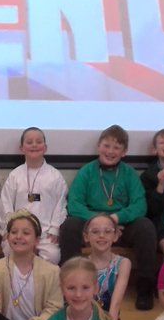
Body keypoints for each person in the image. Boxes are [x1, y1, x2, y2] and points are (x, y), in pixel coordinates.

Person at [59, 125, 158, 310]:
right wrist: (99, 221)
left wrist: (115, 219)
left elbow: (139, 205)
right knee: (69, 226)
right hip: (91, 225)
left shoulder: (129, 174)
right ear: (99, 147)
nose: (110, 151)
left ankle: (145, 289)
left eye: (116, 148)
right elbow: (74, 204)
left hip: (121, 226)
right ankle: (69, 287)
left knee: (146, 227)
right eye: (106, 146)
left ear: (124, 152)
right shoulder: (87, 171)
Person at [0, 211, 62, 320]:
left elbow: (54, 307)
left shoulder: (52, 271)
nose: (19, 236)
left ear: (37, 240)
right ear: (7, 237)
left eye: (26, 233)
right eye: (14, 232)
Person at [0, 127, 68, 264]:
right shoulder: (15, 176)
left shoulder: (55, 176)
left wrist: (55, 229)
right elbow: (6, 203)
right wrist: (7, 229)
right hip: (18, 232)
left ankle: (41, 278)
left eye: (39, 142)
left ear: (45, 148)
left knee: (53, 255)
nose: (34, 145)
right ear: (22, 148)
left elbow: (60, 204)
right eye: (29, 142)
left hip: (45, 232)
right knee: (9, 251)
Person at [85, 213, 131, 320]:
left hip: (110, 319)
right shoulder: (81, 264)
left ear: (115, 236)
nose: (101, 235)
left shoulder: (123, 263)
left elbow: (115, 306)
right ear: (86, 236)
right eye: (95, 232)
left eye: (107, 231)